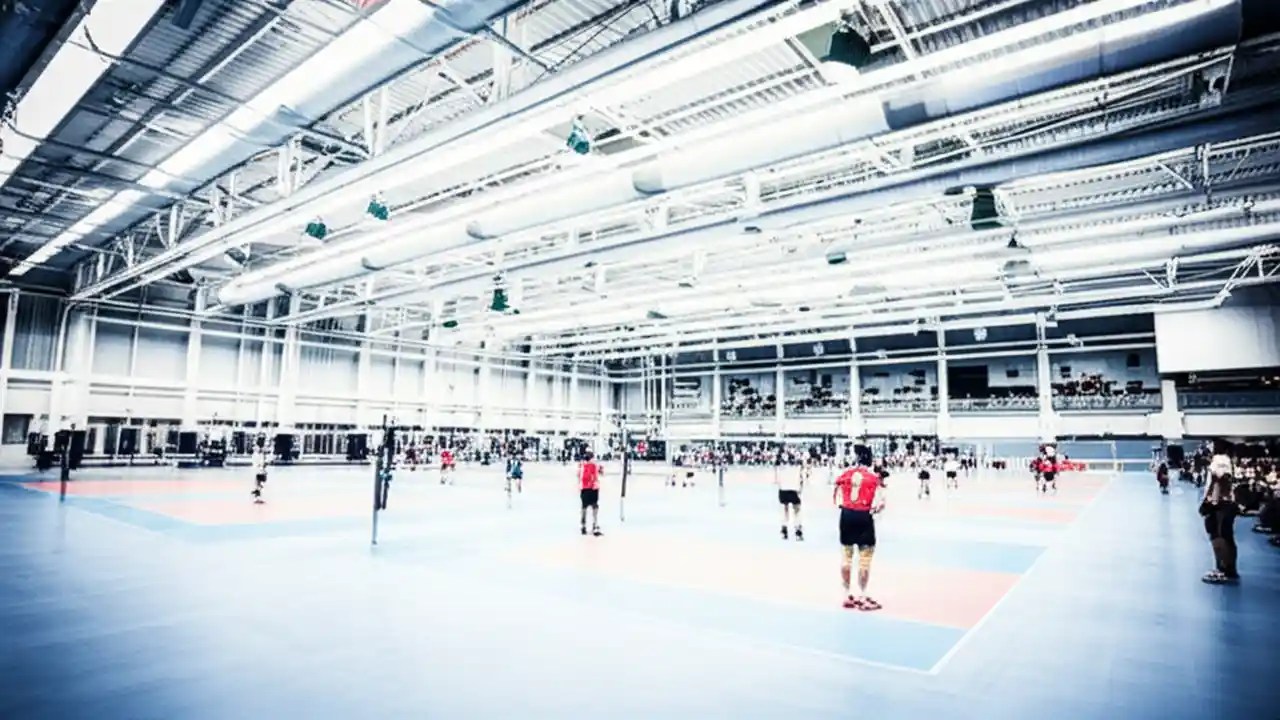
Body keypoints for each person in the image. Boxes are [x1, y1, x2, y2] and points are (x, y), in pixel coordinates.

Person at [834, 458, 885, 611]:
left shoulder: (845, 475)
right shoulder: (873, 478)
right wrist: (874, 511)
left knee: (846, 556)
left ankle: (846, 594)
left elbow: (836, 499)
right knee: (865, 559)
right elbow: (880, 503)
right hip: (864, 516)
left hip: (846, 515)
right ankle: (863, 595)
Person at [1201, 455, 1239, 584]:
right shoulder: (1228, 462)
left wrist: (1212, 503)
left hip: (1220, 505)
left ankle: (1222, 569)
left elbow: (1216, 482)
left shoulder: (1218, 463)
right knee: (1227, 536)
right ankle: (1230, 569)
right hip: (1228, 504)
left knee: (1218, 535)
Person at [777, 460, 804, 541]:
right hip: (794, 488)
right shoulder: (798, 467)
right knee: (797, 510)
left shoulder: (781, 466)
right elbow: (801, 479)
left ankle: (784, 530)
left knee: (785, 509)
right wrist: (800, 490)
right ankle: (798, 531)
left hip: (783, 489)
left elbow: (778, 479)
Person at [579, 451, 603, 536]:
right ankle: (595, 525)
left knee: (584, 506)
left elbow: (578, 475)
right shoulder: (595, 465)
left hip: (584, 488)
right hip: (593, 488)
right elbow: (601, 472)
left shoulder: (581, 465)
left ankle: (583, 525)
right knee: (594, 506)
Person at [250, 436, 268, 505]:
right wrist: (263, 467)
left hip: (258, 470)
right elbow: (260, 462)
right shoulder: (258, 452)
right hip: (259, 470)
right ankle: (257, 498)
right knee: (259, 484)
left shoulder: (258, 452)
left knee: (258, 484)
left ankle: (257, 497)